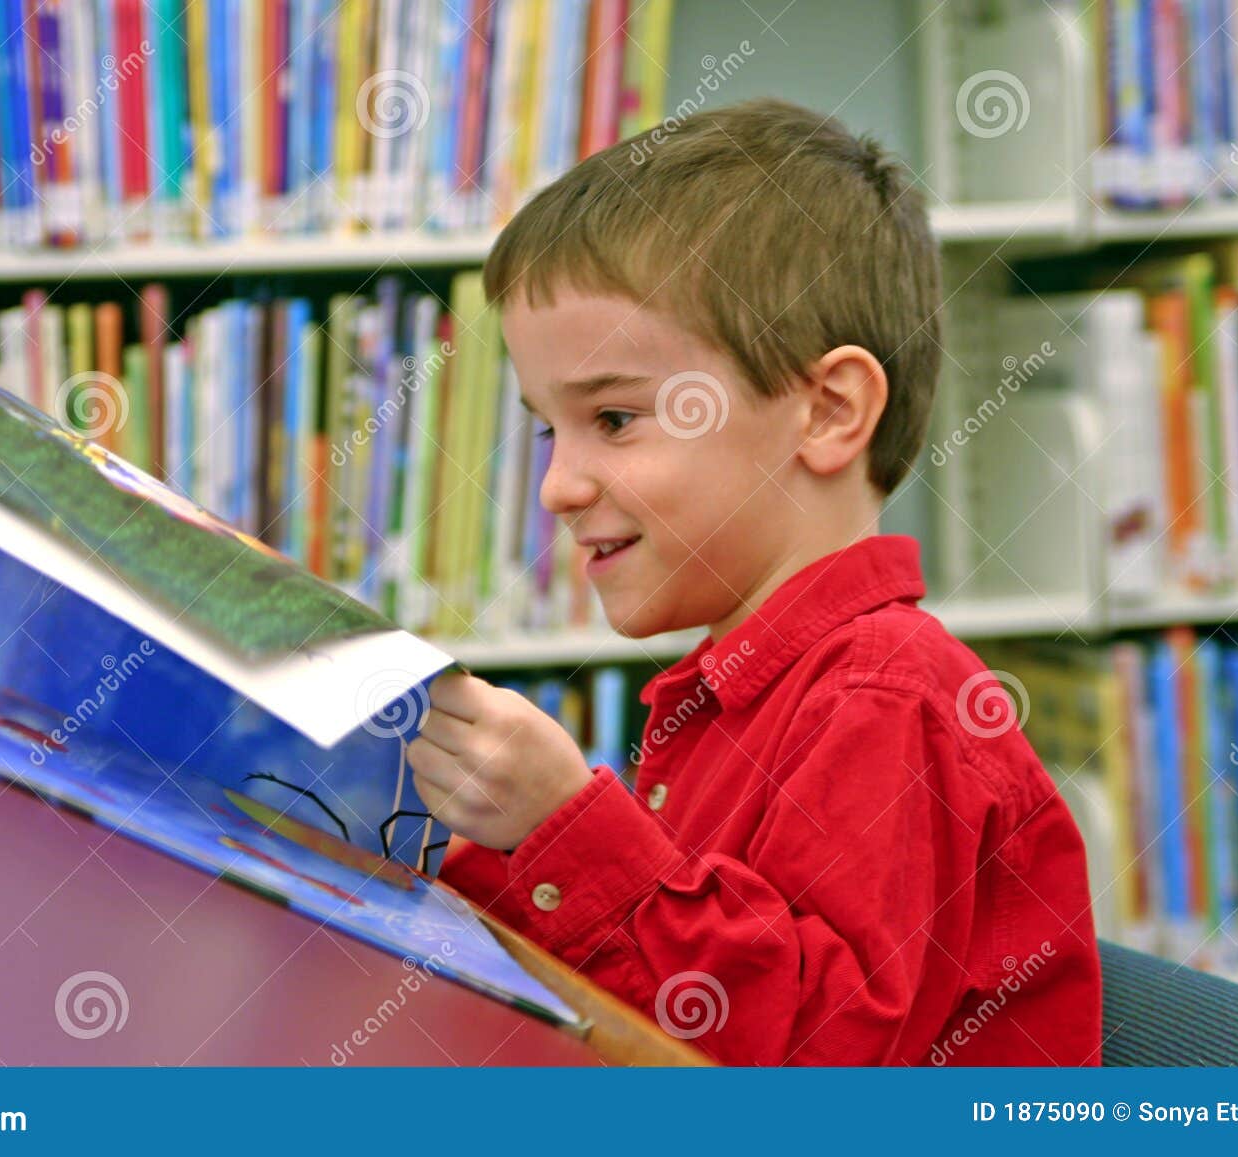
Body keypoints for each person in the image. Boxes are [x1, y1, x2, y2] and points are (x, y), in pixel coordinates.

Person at [405, 98, 1103, 1066]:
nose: (556, 486)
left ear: (827, 411)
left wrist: (563, 828)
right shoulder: (737, 692)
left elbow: (812, 1059)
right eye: (545, 430)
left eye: (612, 419)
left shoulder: (888, 700)